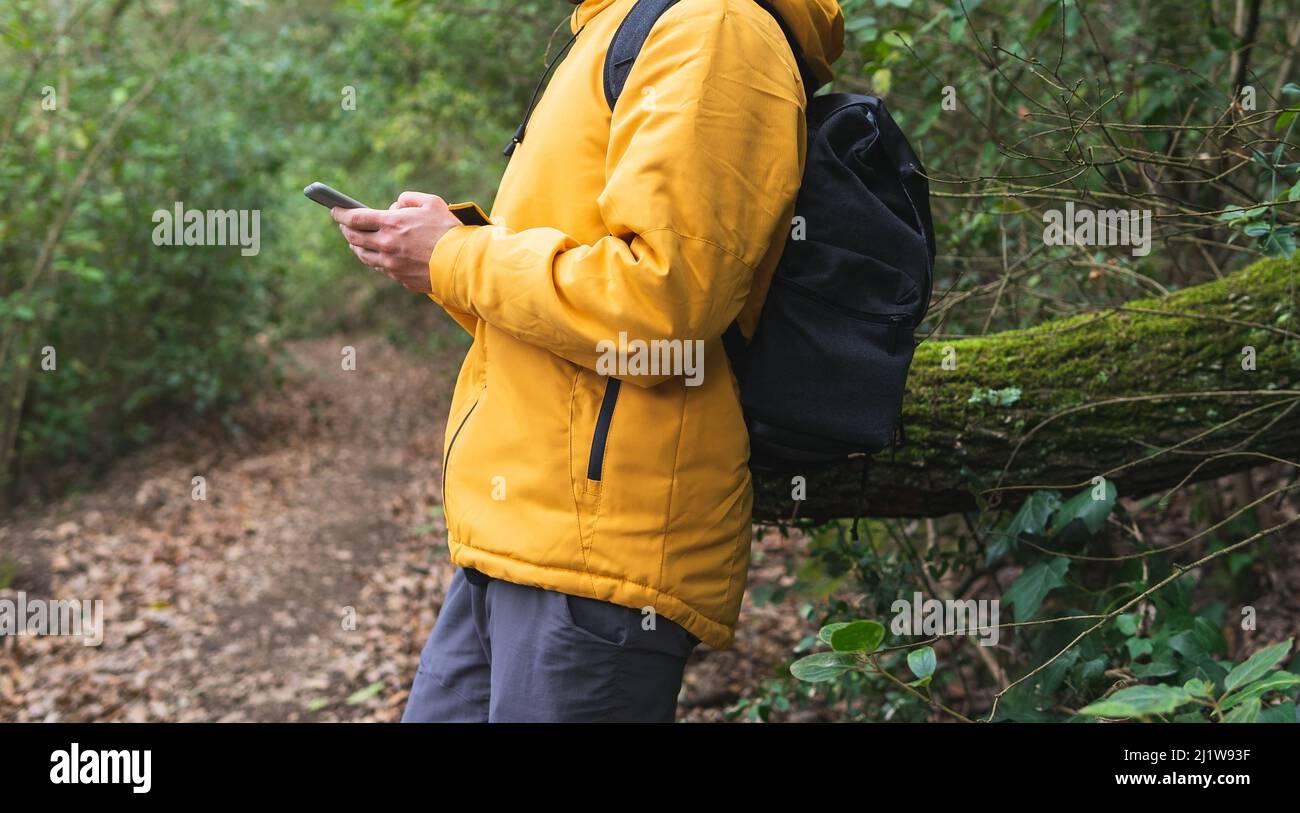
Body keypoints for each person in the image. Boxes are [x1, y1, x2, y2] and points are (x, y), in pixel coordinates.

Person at [332, 0, 844, 722]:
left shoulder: (714, 26)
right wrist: (439, 255)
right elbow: (570, 302)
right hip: (515, 536)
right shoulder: (619, 25)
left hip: (600, 554)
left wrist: (457, 255)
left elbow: (661, 306)